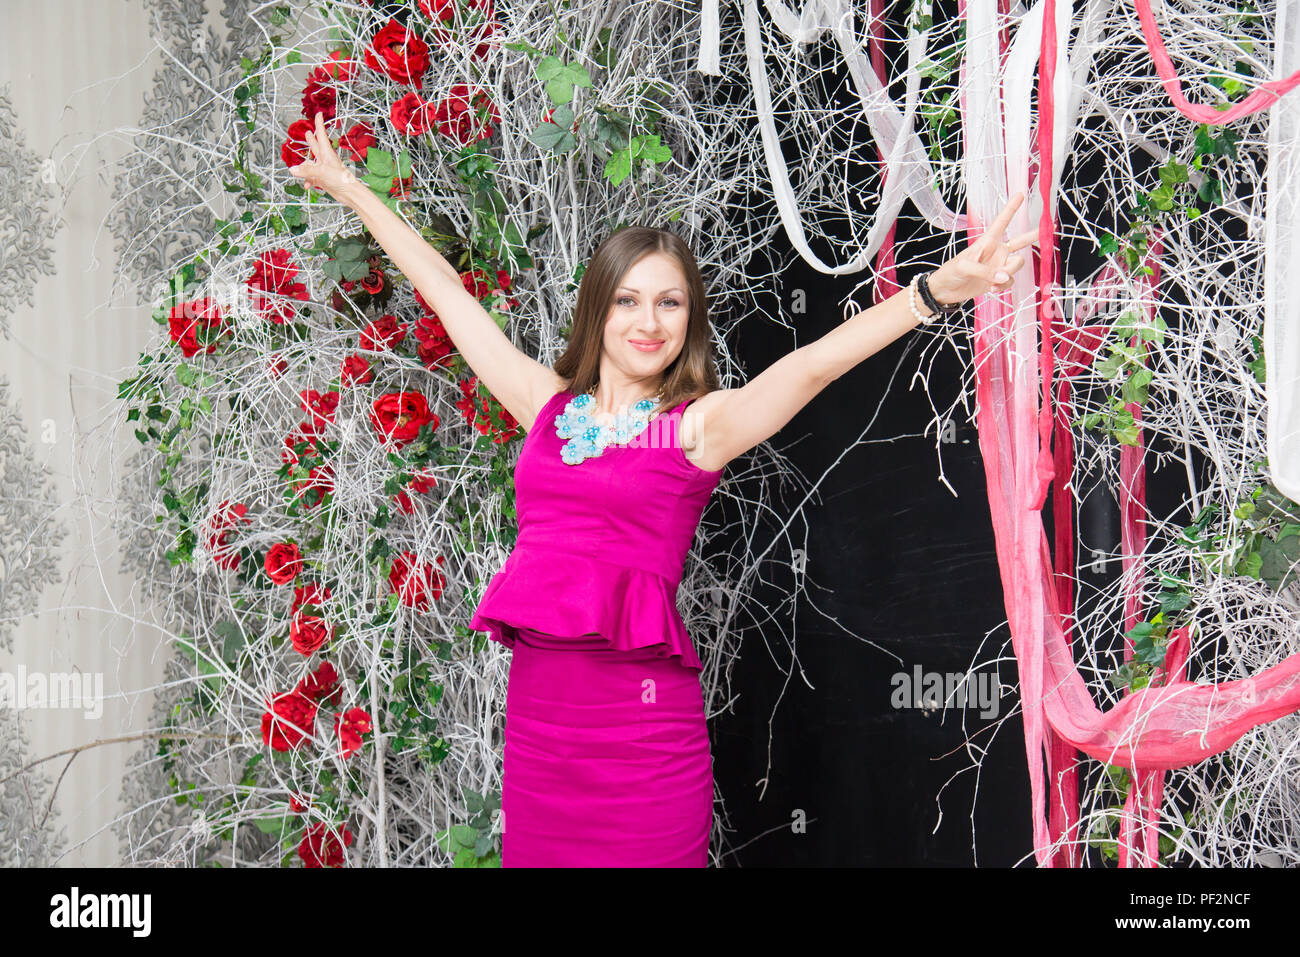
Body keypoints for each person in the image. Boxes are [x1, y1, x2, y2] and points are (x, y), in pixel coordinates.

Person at [289, 110, 1036, 866]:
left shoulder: (698, 427)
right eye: (628, 300)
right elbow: (445, 291)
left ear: (690, 319)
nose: (649, 322)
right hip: (544, 738)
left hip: (642, 746)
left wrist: (935, 291)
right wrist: (353, 192)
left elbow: (809, 366)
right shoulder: (543, 406)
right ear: (598, 309)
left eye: (670, 302)